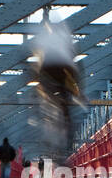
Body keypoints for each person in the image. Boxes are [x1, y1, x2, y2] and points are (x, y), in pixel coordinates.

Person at [28, 13, 83, 158]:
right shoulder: (65, 34)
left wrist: (35, 84)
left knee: (46, 99)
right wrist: (79, 89)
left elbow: (36, 60)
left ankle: (47, 124)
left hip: (46, 69)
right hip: (65, 68)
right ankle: (67, 139)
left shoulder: (41, 36)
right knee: (66, 107)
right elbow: (75, 57)